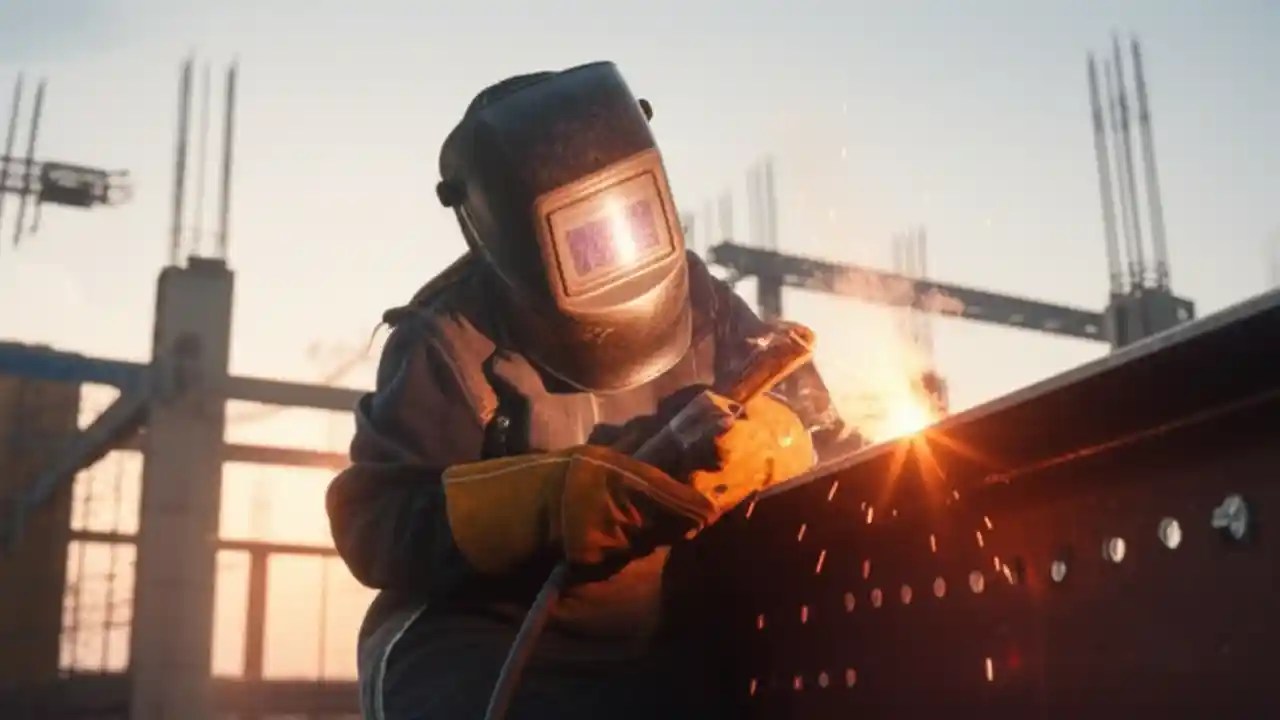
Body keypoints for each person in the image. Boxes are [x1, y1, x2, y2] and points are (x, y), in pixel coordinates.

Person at [326, 61, 851, 720]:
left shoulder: (704, 301)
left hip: (657, 634)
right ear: (510, 232)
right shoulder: (451, 341)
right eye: (581, 240)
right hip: (488, 643)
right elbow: (373, 521)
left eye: (629, 222)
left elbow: (838, 445)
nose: (613, 258)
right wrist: (550, 506)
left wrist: (779, 444)